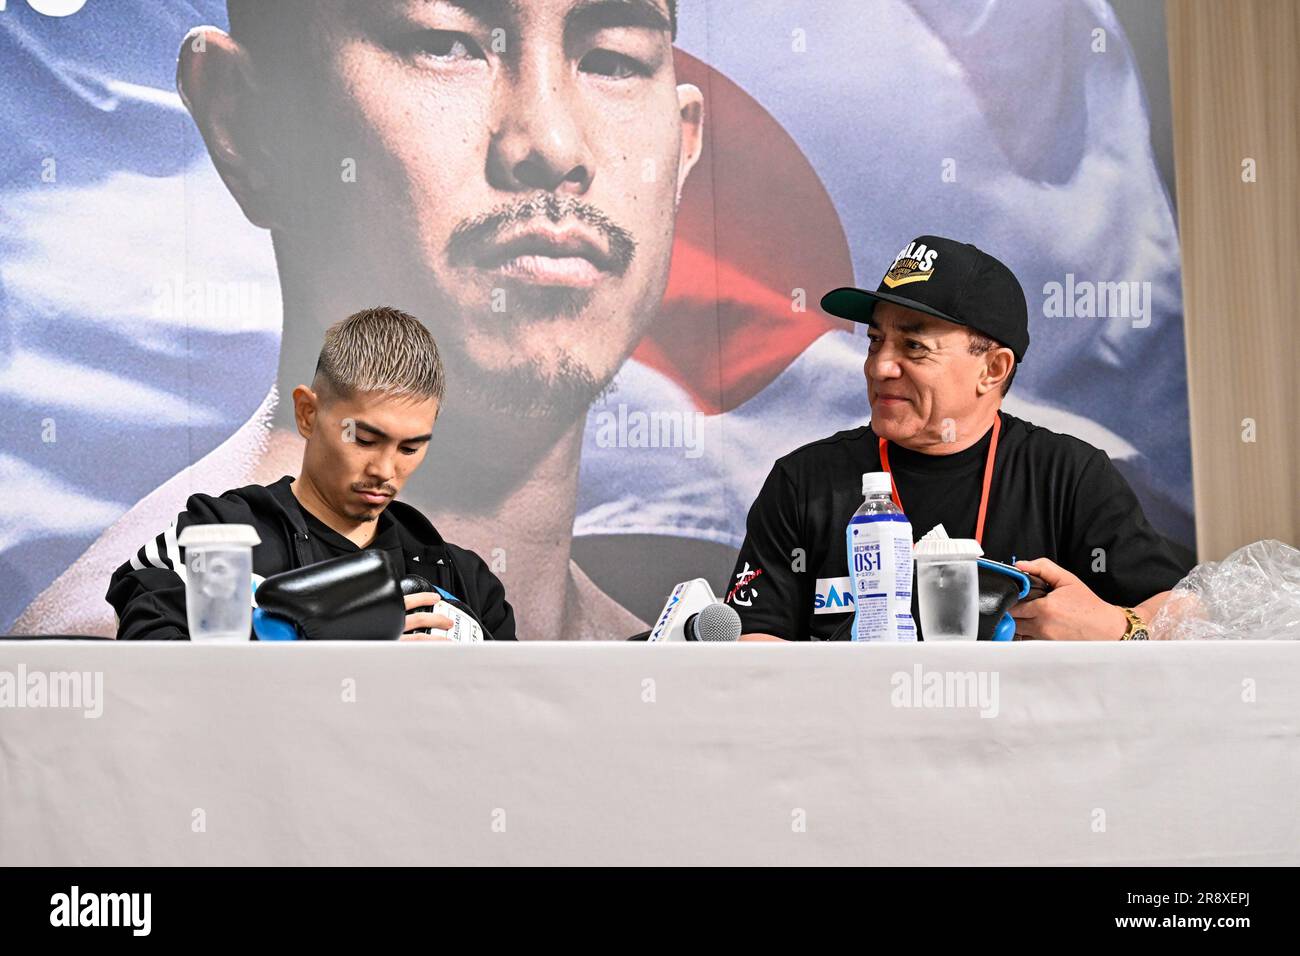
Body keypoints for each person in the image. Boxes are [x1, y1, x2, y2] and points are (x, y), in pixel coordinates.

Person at [726, 235, 1192, 642]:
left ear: (993, 369)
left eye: (913, 346)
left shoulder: (1068, 475)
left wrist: (1120, 626)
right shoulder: (805, 481)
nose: (879, 367)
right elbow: (755, 641)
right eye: (874, 341)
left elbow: (1188, 613)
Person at [107, 307, 516, 642]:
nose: (385, 471)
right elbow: (150, 673)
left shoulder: (464, 581)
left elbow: (513, 723)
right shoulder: (219, 538)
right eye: (365, 439)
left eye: (410, 448)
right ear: (307, 413)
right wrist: (306, 648)